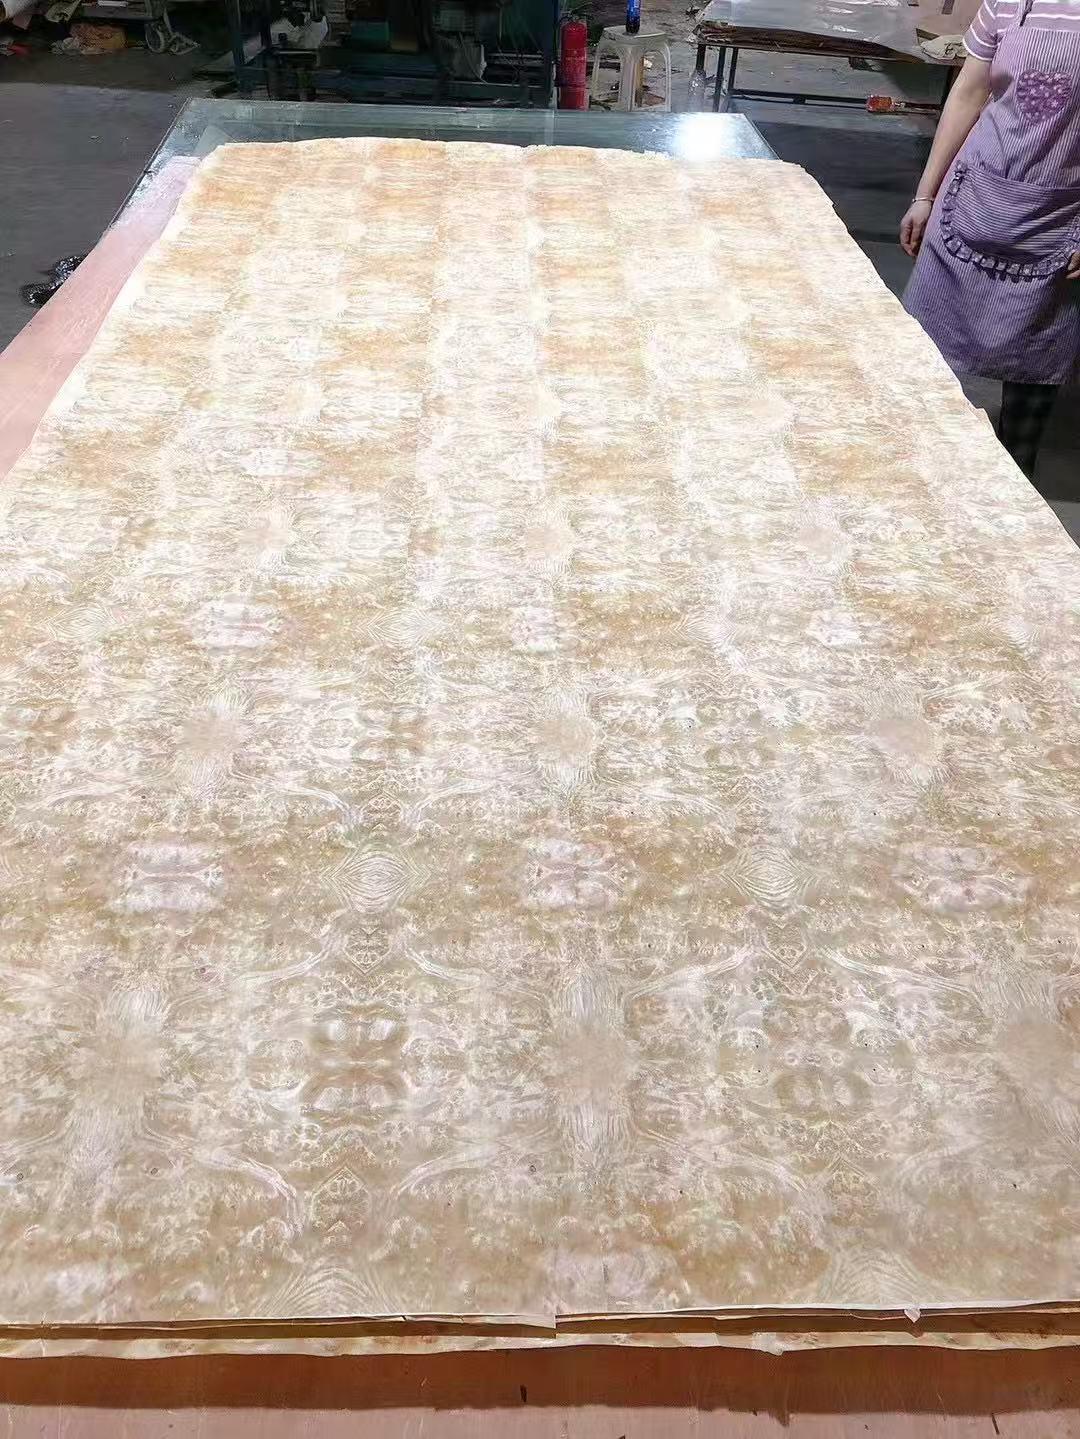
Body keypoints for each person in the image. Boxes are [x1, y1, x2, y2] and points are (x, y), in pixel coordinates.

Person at [901, 0, 1080, 479]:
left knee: (1033, 370)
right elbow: (968, 94)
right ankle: (913, 475)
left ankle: (1014, 492)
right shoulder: (1007, 4)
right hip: (972, 198)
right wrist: (925, 195)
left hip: (1059, 218)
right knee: (920, 356)